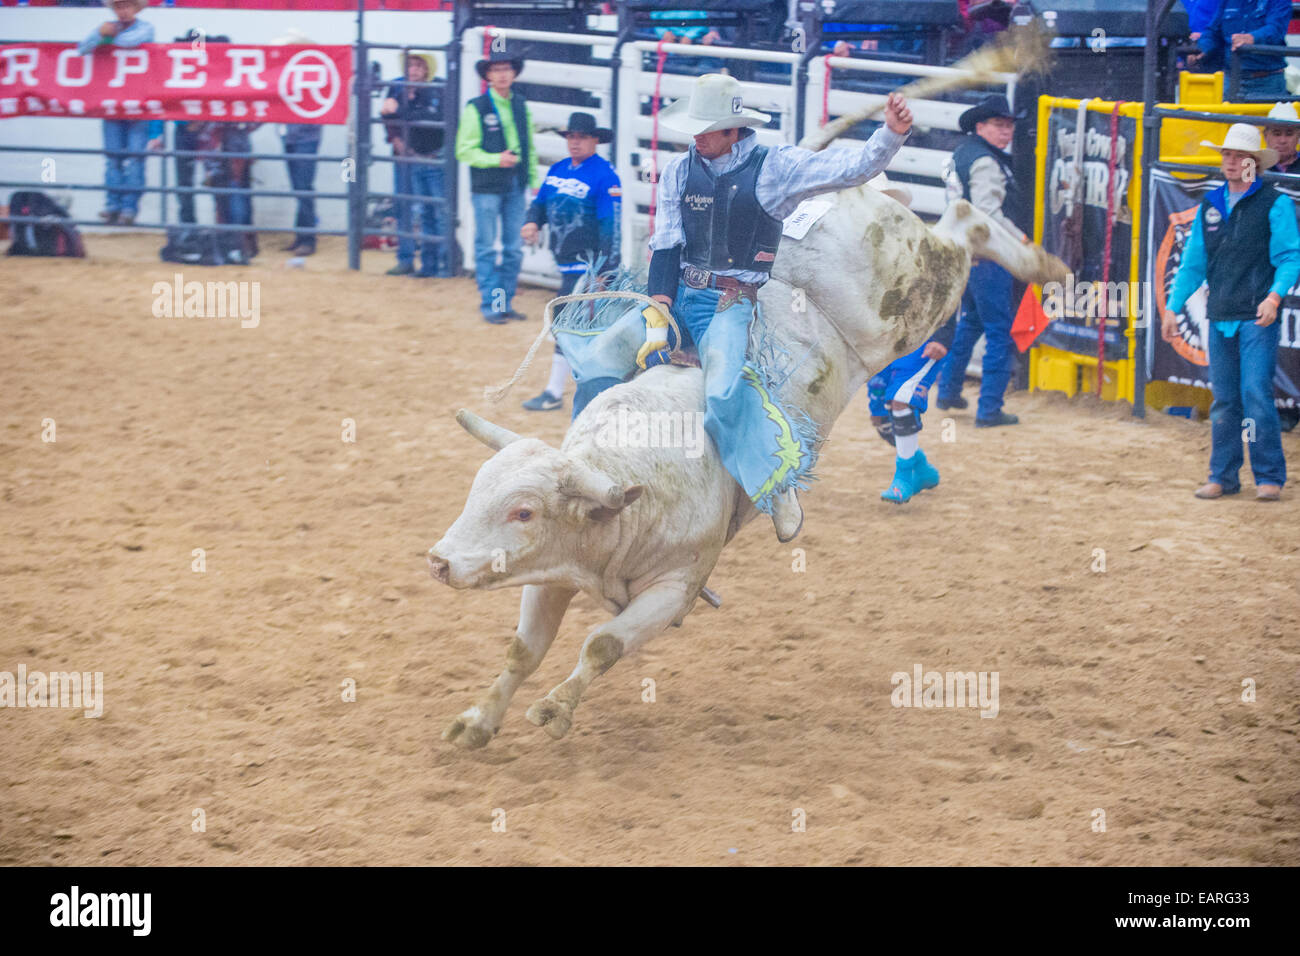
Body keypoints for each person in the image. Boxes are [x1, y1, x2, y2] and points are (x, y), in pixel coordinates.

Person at [641, 73, 911, 541]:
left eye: (708, 128)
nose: (698, 137)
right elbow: (666, 244)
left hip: (729, 300)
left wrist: (890, 134)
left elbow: (852, 169)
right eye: (696, 129)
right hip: (678, 292)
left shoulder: (776, 167)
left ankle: (775, 481)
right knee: (597, 355)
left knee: (723, 392)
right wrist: (656, 308)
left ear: (734, 130)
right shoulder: (679, 171)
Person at [1161, 123, 1299, 501]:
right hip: (1221, 312)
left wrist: (1273, 298)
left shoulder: (1275, 203)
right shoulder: (1212, 205)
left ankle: (1265, 475)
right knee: (1225, 397)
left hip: (1255, 314)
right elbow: (1193, 264)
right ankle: (1224, 474)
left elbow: (1289, 257)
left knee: (1253, 393)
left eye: (1239, 156)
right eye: (1227, 155)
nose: (1232, 162)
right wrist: (1173, 307)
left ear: (1255, 162)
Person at [935, 94, 1029, 428]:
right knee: (999, 330)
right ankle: (989, 408)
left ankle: (948, 390)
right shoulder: (987, 162)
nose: (1006, 132)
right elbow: (988, 213)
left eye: (1008, 126)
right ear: (981, 126)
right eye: (999, 125)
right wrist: (1020, 239)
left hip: (964, 253)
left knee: (971, 321)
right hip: (989, 254)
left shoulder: (962, 154)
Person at [519, 112, 622, 413]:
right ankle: (588, 394)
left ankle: (556, 392)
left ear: (594, 140)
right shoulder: (557, 169)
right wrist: (531, 222)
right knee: (575, 329)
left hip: (589, 266)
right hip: (566, 263)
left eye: (581, 137)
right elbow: (538, 205)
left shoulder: (605, 175)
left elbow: (611, 226)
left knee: (571, 327)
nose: (575, 142)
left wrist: (603, 270)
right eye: (570, 137)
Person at [455, 53, 539, 323]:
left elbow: (529, 146)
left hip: (514, 182)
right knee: (487, 246)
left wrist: (533, 179)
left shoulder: (520, 104)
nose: (503, 74)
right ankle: (491, 303)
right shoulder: (475, 107)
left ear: (513, 74)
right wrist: (495, 159)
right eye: (497, 69)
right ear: (488, 76)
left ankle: (503, 302)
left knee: (512, 247)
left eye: (507, 69)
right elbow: (463, 150)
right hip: (487, 186)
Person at [77, 0, 155, 226]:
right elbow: (82, 48)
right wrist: (101, 35)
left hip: (137, 105)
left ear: (136, 8)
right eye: (119, 6)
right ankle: (113, 206)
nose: (123, 11)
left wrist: (104, 37)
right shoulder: (106, 28)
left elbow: (131, 42)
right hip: (113, 104)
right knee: (113, 159)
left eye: (127, 6)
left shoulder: (145, 29)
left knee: (134, 158)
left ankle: (128, 208)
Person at [869, 314, 956, 503]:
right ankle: (923, 469)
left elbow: (949, 286)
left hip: (925, 339)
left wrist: (943, 336)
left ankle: (904, 478)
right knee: (880, 418)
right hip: (887, 336)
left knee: (901, 399)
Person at [382, 52, 445, 277]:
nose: (414, 69)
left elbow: (394, 113)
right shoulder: (397, 86)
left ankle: (438, 261)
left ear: (426, 69)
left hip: (428, 154)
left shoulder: (436, 88)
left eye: (419, 65)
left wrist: (396, 110)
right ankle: (407, 258)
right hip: (405, 154)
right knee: (405, 206)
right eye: (410, 65)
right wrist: (399, 142)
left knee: (435, 209)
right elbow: (387, 119)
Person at [275, 31, 322, 256]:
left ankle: (307, 238)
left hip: (304, 135)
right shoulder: (289, 73)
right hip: (293, 134)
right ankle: (303, 235)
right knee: (300, 187)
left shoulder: (305, 73)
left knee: (303, 187)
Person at [1191, 0, 1292, 100]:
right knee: (1226, 115)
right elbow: (1213, 32)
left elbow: (1277, 29)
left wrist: (1252, 38)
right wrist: (1202, 49)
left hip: (1267, 83)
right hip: (1231, 81)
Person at [1265, 100, 1300, 173]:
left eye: (1289, 134)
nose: (1282, 140)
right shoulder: (1254, 167)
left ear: (1298, 136)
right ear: (1266, 135)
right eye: (1277, 134)